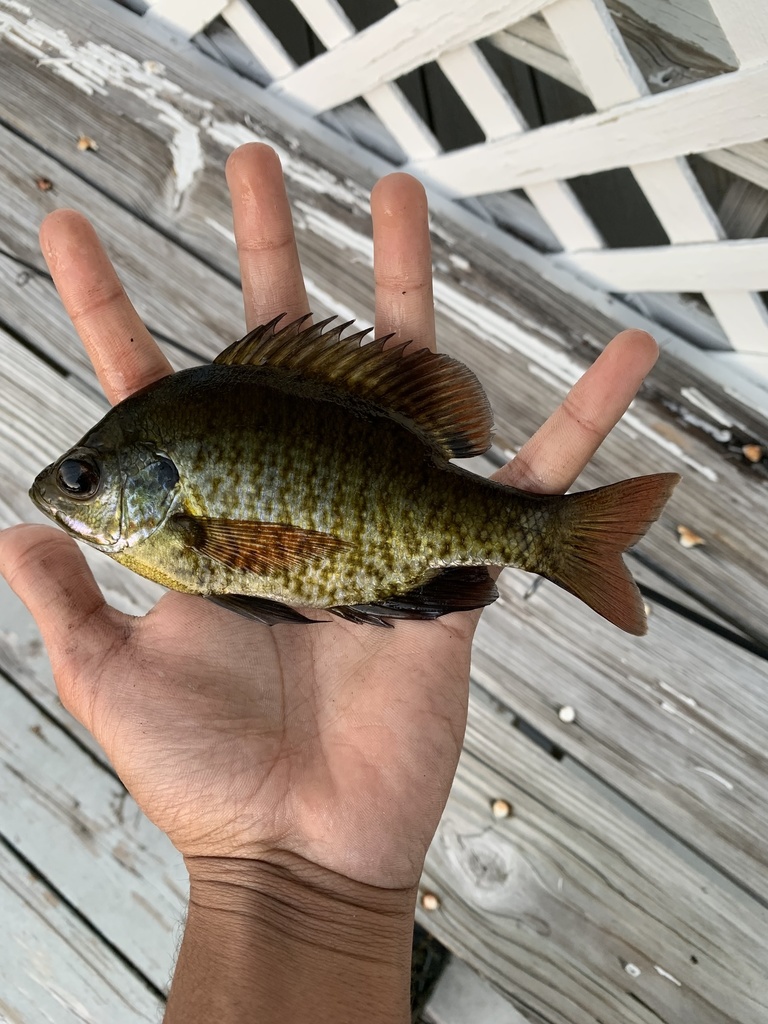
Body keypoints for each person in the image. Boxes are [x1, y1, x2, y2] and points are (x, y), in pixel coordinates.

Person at [0, 143, 659, 1022]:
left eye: (85, 479)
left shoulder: (178, 515)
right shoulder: (181, 511)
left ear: (150, 479)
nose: (63, 493)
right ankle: (547, 535)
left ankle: (550, 536)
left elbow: (242, 559)